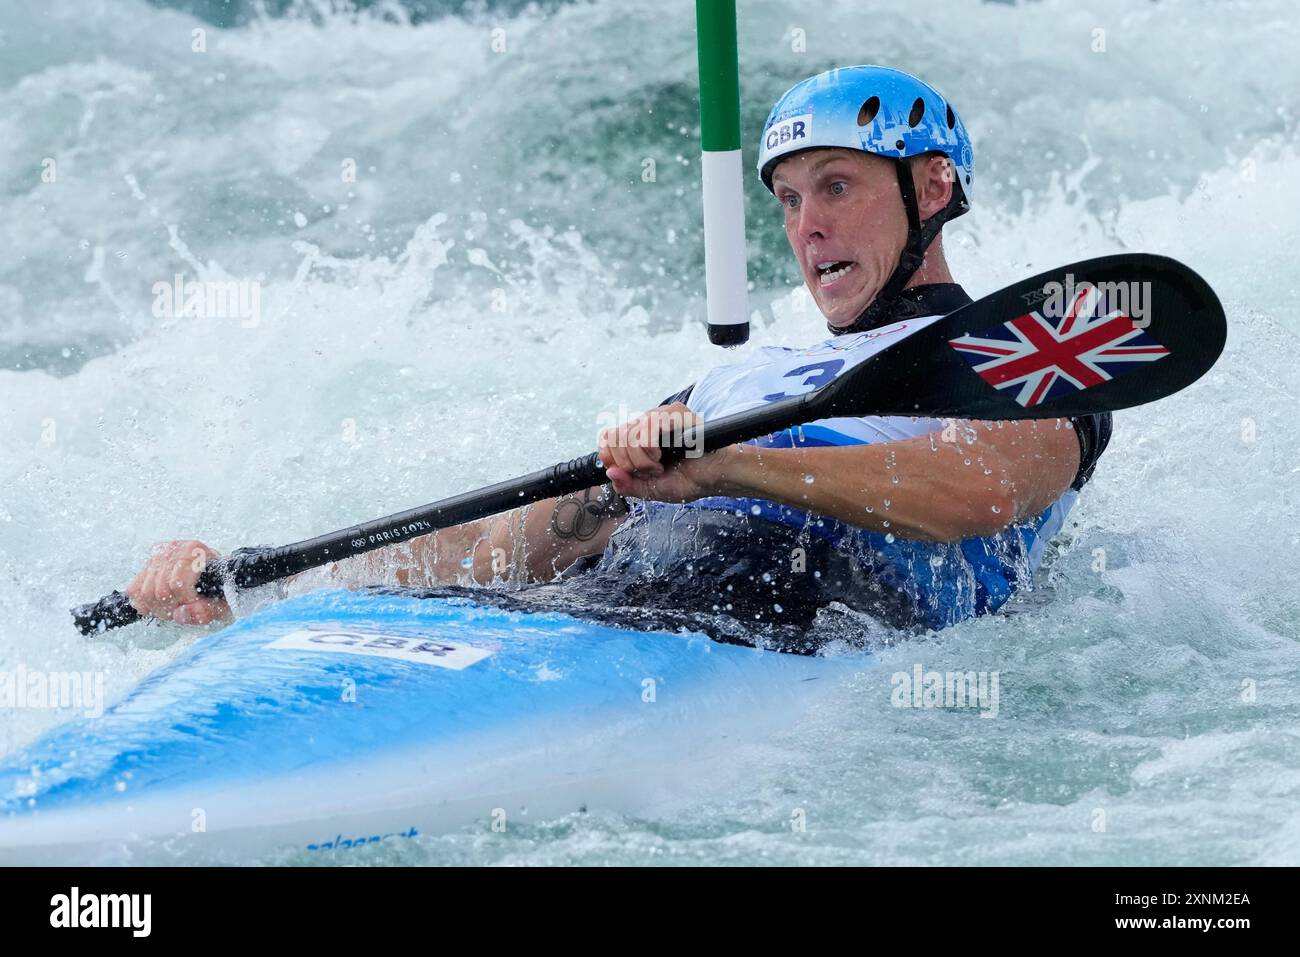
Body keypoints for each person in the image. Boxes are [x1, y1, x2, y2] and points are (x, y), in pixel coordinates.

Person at [127, 65, 1109, 648]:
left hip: (798, 636)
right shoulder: (736, 382)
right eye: (787, 200)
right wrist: (259, 587)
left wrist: (729, 466)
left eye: (837, 186)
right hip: (607, 618)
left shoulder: (1029, 352)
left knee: (731, 539)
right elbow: (522, 538)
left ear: (932, 187)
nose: (807, 227)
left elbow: (974, 493)